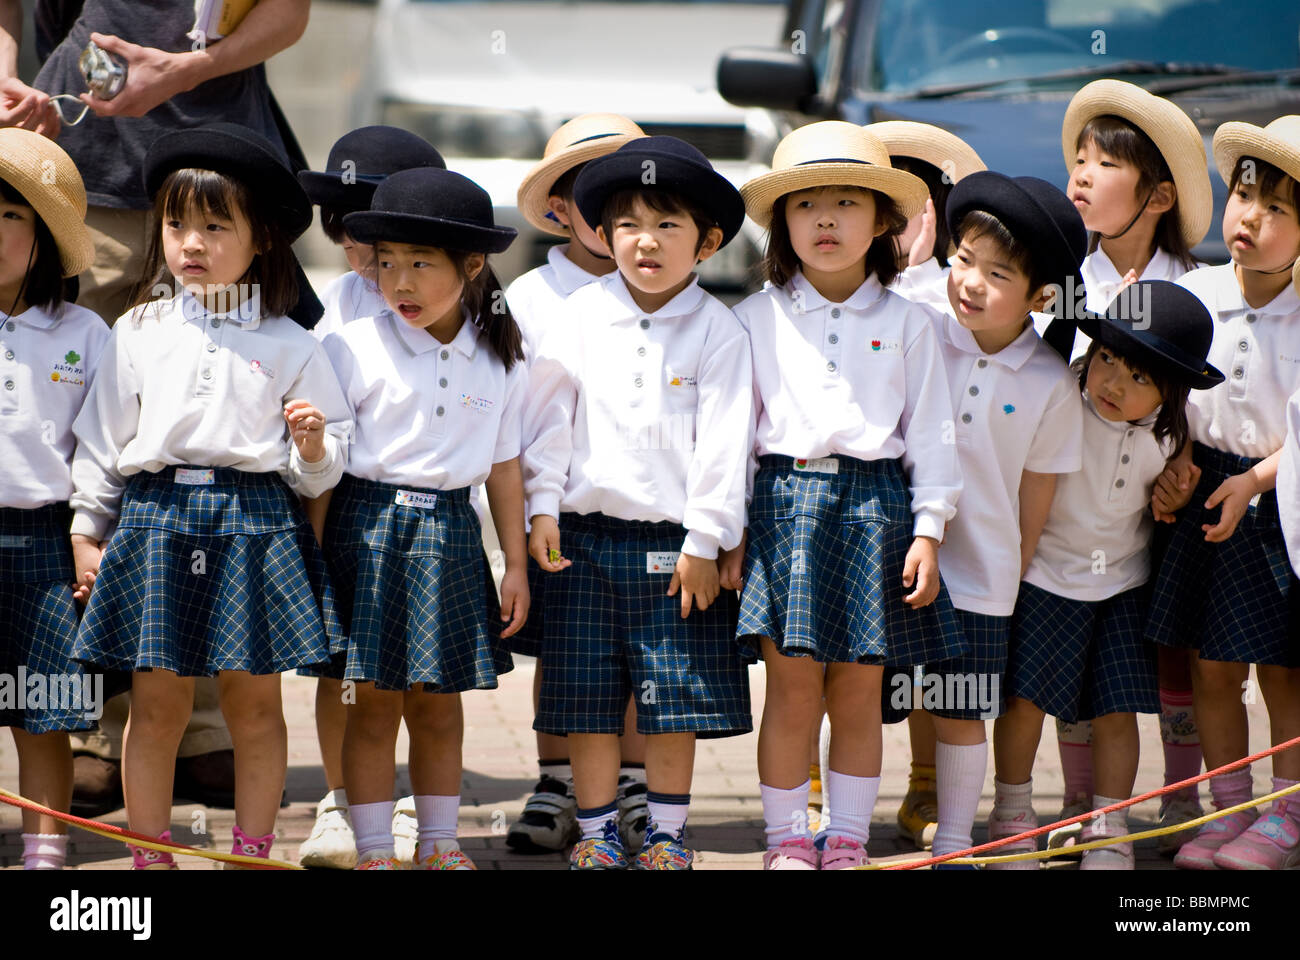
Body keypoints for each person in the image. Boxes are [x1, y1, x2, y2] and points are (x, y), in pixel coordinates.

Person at [0, 0, 316, 816]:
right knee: (84, 418)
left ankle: (206, 727)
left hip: (222, 141)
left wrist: (196, 66)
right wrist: (5, 76)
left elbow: (289, 10)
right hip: (84, 168)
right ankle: (96, 728)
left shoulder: (282, 327)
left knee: (212, 429)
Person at [67, 122, 351, 869]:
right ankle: (150, 853)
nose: (191, 241)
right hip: (155, 520)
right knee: (154, 705)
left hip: (255, 521)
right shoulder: (136, 330)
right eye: (176, 223)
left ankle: (253, 851)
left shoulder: (294, 342)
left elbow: (324, 465)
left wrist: (315, 447)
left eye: (216, 226)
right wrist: (86, 531)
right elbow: (103, 441)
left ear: (262, 240)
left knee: (253, 705)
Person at [733, 121, 964, 870]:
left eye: (845, 203)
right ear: (782, 223)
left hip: (876, 509)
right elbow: (733, 436)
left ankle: (849, 840)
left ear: (885, 221)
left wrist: (929, 528)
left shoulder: (912, 322)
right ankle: (787, 839)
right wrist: (727, 530)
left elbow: (931, 432)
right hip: (783, 504)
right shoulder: (751, 318)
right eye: (806, 206)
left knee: (861, 691)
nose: (825, 221)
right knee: (794, 689)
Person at [526, 136, 753, 870]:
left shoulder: (720, 330)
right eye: (627, 224)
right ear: (602, 234)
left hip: (674, 549)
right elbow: (547, 422)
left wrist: (706, 541)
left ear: (708, 242)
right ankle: (594, 835)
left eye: (667, 225)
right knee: (588, 699)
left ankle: (665, 834)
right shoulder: (577, 316)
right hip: (582, 543)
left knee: (670, 703)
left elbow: (725, 444)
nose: (645, 241)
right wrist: (542, 512)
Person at [317, 166, 527, 871]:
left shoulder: (499, 356)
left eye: (420, 264)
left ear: (472, 266)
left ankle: (439, 842)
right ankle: (374, 848)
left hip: (451, 533)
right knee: (372, 702)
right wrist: (316, 554)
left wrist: (517, 562)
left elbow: (502, 466)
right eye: (387, 264)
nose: (399, 281)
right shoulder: (350, 345)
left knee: (439, 703)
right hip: (365, 530)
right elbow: (324, 469)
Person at [883, 171, 1088, 867]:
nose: (969, 282)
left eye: (996, 273)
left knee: (961, 708)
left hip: (982, 580)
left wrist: (1013, 567)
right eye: (963, 260)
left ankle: (954, 840)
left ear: (1040, 297)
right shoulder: (921, 332)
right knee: (863, 693)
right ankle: (836, 816)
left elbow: (1035, 498)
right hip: (898, 557)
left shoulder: (1050, 381)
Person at [990, 280, 1222, 870]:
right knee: (1026, 702)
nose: (1114, 382)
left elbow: (1176, 469)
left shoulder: (1171, 433)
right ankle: (1013, 814)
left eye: (1141, 377)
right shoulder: (1061, 397)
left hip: (1122, 583)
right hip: (1045, 575)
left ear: (1171, 395)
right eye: (1108, 360)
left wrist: (1179, 478)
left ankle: (1110, 824)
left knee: (1117, 708)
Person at [1047, 79, 1215, 853]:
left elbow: (1209, 406)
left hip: (1165, 509)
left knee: (1170, 659)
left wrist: (1183, 470)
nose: (1079, 175)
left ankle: (1180, 802)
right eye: (1076, 159)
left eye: (1102, 165)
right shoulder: (1062, 282)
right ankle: (1084, 806)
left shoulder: (1192, 288)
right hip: (1073, 511)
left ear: (1156, 197)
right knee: (1078, 670)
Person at [1146, 115, 1300, 871]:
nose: (1252, 218)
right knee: (1209, 663)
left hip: (1278, 501)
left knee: (1281, 665)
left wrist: (1252, 482)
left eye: (1279, 210)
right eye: (1246, 196)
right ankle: (1227, 806)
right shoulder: (1196, 291)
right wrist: (1173, 466)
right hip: (1204, 491)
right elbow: (1168, 400)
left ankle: (1288, 813)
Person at [294, 123, 446, 870]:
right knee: (344, 670)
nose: (359, 246)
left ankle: (414, 805)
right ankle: (340, 802)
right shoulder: (331, 303)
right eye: (346, 225)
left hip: (428, 513)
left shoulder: (468, 306)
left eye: (376, 226)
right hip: (341, 505)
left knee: (425, 674)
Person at [506, 112, 650, 855]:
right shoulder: (530, 297)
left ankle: (631, 783)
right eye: (585, 194)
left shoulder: (663, 288)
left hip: (639, 508)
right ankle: (556, 778)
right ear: (557, 208)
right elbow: (509, 407)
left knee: (635, 652)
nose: (607, 214)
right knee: (567, 651)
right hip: (554, 505)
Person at [864, 118, 986, 850]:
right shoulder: (825, 289)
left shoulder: (949, 295)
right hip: (864, 497)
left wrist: (915, 272)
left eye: (916, 205)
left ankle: (925, 788)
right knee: (839, 655)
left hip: (942, 502)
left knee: (928, 655)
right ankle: (816, 796)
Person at [0, 127, 104, 868]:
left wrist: (86, 533)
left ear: (45, 238)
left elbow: (101, 446)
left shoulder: (84, 332)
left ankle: (44, 846)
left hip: (45, 543)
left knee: (44, 712)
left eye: (12, 215)